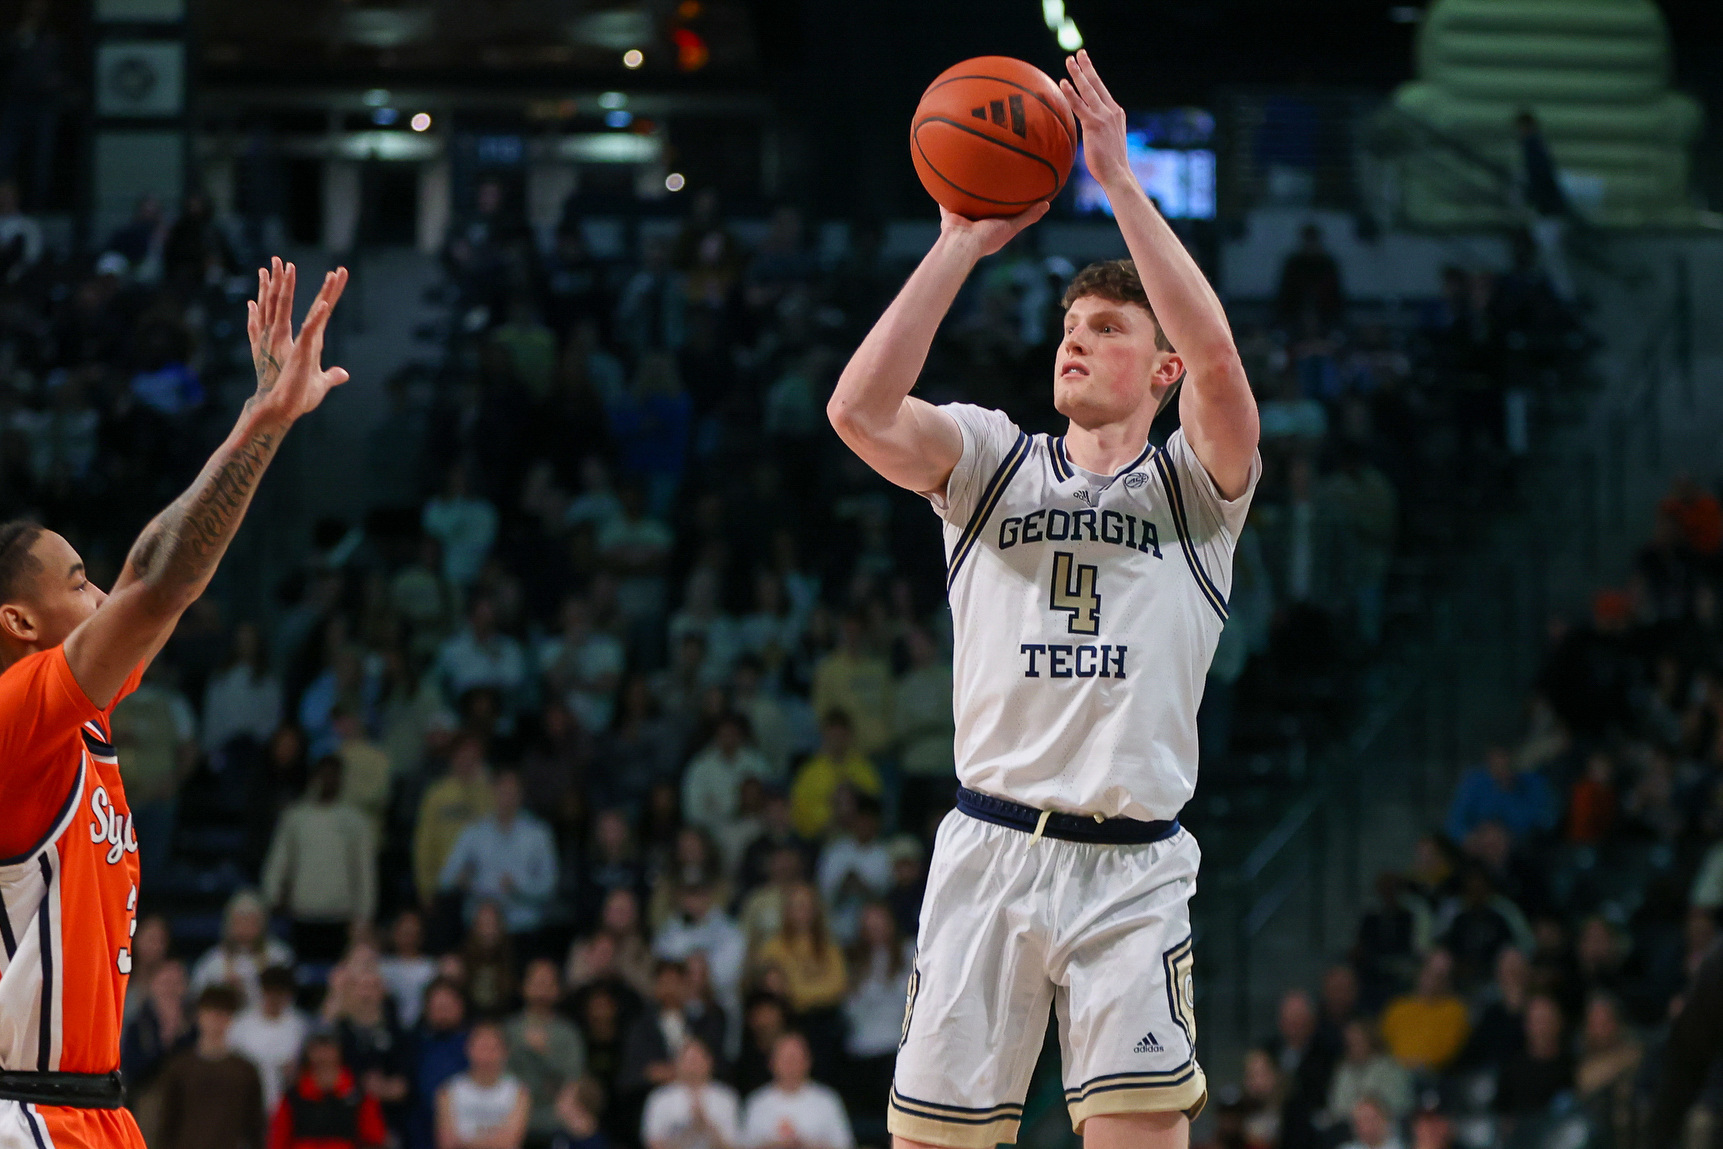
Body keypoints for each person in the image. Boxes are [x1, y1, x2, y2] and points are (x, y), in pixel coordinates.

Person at [825, 50, 1260, 1148]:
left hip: (1131, 865)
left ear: (1156, 373)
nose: (1077, 339)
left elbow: (1214, 355)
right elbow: (860, 411)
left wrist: (1118, 180)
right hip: (988, 850)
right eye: (1071, 328)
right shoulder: (989, 458)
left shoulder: (1197, 489)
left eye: (1110, 331)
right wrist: (957, 241)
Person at [262, 755, 377, 962]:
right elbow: (279, 860)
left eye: (334, 775)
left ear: (341, 779)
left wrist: (364, 915)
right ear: (314, 777)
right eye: (323, 774)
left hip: (341, 915)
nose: (328, 779)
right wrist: (272, 894)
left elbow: (364, 870)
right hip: (302, 912)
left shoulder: (355, 820)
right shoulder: (296, 817)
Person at [440, 768, 559, 938]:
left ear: (521, 795)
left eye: (512, 791)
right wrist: (460, 879)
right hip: (479, 928)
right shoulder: (473, 832)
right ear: (493, 792)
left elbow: (549, 886)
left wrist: (519, 887)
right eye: (502, 790)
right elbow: (444, 879)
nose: (506, 797)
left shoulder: (538, 834)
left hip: (523, 927)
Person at [154, 986, 267, 1149]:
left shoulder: (245, 1070)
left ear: (230, 1019)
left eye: (222, 1014)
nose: (216, 1021)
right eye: (211, 1013)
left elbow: (256, 1126)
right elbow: (167, 1122)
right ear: (199, 1016)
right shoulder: (180, 1068)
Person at [505, 959, 588, 1148]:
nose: (542, 989)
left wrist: (543, 1054)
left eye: (548, 983)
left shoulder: (569, 1033)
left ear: (558, 990)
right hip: (512, 1112)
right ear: (523, 987)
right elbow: (500, 1076)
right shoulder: (508, 1030)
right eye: (536, 982)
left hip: (556, 1113)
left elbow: (572, 1082)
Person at [268, 1030, 390, 1149]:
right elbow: (278, 1139)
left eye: (328, 1046)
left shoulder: (358, 1093)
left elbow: (374, 1138)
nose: (323, 1053)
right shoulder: (293, 1095)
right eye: (317, 1047)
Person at [739, 1032, 852, 1149]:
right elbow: (744, 1144)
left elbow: (845, 1144)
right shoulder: (756, 1102)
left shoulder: (827, 1100)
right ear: (771, 1063)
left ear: (808, 1062)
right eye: (785, 1058)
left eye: (795, 1058)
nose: (790, 1064)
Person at [189, 889, 298, 1010]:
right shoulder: (212, 961)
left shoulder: (279, 956)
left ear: (263, 923)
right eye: (240, 921)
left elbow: (288, 1001)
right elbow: (197, 1000)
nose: (245, 927)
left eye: (251, 920)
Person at [230, 965, 313, 1116]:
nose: (274, 998)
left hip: (287, 1108)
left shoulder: (300, 1026)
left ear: (288, 995)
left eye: (280, 993)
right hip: (247, 1105)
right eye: (270, 992)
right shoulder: (241, 1025)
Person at [436, 1022, 529, 1149]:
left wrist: (465, 1143)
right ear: (468, 1049)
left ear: (505, 1052)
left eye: (493, 1048)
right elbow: (447, 1143)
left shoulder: (519, 1092)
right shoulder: (448, 1091)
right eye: (481, 1047)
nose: (487, 1055)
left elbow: (509, 1142)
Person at [641, 1039, 739, 1149]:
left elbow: (732, 1144)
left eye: (698, 1059)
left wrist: (705, 1125)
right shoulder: (660, 1098)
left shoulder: (726, 1097)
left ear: (709, 1061)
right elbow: (653, 1143)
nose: (694, 1065)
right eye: (689, 1060)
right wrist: (690, 1132)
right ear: (677, 1063)